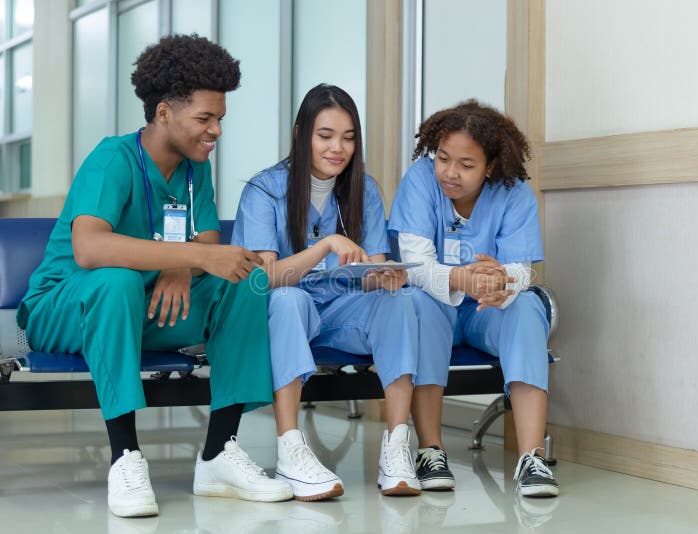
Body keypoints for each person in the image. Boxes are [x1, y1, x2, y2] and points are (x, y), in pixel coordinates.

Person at [15, 34, 293, 518]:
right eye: (204, 119)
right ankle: (125, 456)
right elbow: (89, 247)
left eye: (220, 119)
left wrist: (182, 266)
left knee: (248, 279)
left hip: (145, 306)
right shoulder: (112, 159)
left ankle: (218, 454)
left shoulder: (194, 168)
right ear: (164, 113)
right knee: (116, 279)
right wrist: (188, 258)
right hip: (66, 305)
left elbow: (206, 239)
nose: (216, 132)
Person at [233, 83, 426, 499]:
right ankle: (289, 448)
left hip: (340, 313)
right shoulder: (265, 190)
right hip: (286, 313)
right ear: (302, 133)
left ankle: (396, 446)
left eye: (349, 137)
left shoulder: (364, 190)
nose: (338, 148)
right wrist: (324, 245)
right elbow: (261, 280)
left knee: (399, 299)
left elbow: (370, 268)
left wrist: (386, 275)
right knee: (288, 298)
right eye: (326, 136)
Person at [388, 100, 560, 497]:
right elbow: (414, 265)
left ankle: (531, 459)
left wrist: (503, 283)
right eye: (443, 159)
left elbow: (520, 268)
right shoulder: (419, 181)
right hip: (437, 305)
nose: (450, 172)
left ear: (491, 167)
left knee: (528, 304)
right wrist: (463, 279)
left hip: (487, 312)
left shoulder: (513, 193)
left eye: (466, 165)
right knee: (419, 301)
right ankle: (431, 450)